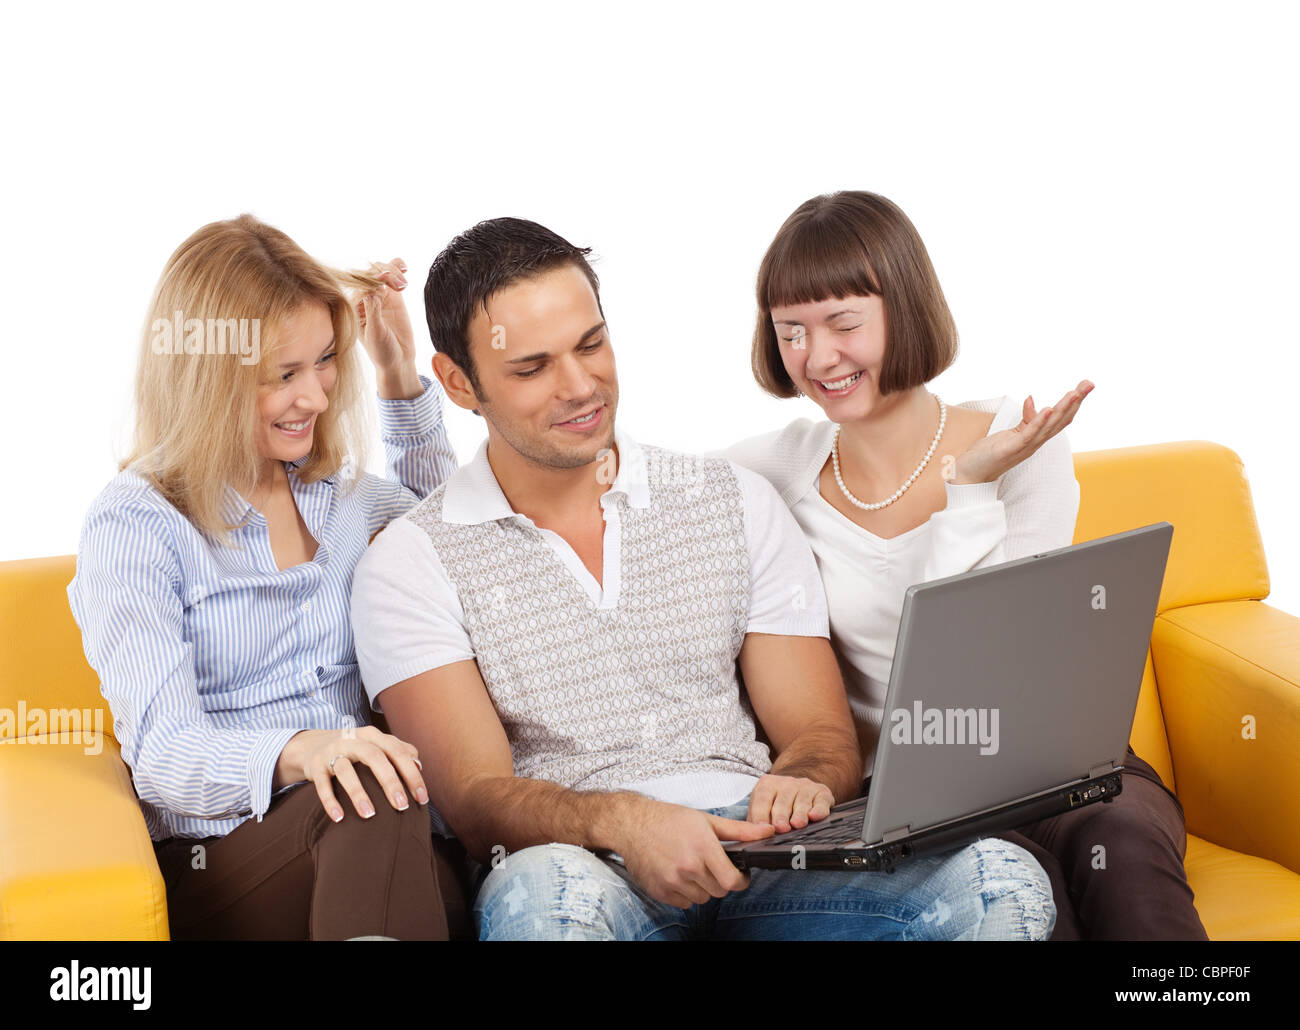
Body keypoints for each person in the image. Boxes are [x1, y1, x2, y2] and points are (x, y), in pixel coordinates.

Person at [348, 215, 1056, 941]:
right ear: (460, 383)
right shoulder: (411, 560)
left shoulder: (733, 499)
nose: (580, 385)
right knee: (545, 897)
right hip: (582, 866)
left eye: (592, 345)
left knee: (1000, 881)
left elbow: (819, 731)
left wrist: (806, 778)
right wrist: (625, 822)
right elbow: (475, 800)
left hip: (763, 856)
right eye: (532, 368)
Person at [714, 190, 1208, 941]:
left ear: (904, 309)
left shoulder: (1018, 441)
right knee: (1017, 896)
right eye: (791, 333)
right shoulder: (772, 470)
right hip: (910, 802)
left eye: (844, 324)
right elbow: (633, 484)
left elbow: (991, 661)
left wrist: (972, 487)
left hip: (1053, 768)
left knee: (1125, 850)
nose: (818, 358)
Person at [67, 214, 459, 940]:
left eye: (325, 360)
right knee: (368, 787)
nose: (314, 396)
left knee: (415, 825)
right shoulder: (137, 522)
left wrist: (400, 377)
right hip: (226, 860)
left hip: (383, 841)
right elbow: (162, 754)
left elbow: (461, 547)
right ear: (208, 378)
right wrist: (303, 751)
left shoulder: (347, 498)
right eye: (283, 375)